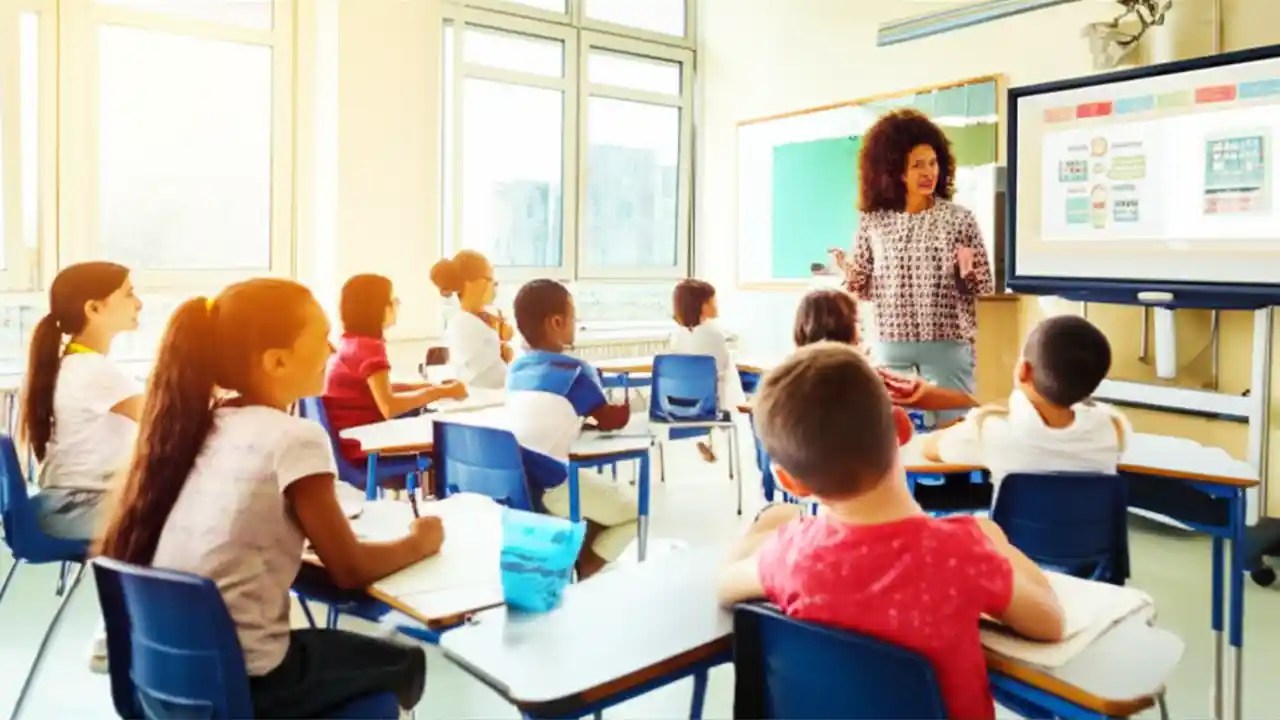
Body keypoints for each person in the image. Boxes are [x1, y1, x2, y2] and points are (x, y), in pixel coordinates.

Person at [96, 279, 440, 718]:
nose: (332, 350)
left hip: (168, 686)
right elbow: (350, 569)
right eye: (322, 338)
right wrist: (420, 540)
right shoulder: (294, 438)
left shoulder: (202, 426)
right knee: (402, 659)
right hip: (250, 686)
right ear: (277, 360)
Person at [716, 343, 1063, 720]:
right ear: (902, 427)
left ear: (790, 482)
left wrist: (772, 523)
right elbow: (1050, 621)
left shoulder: (790, 554)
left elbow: (725, 585)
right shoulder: (963, 551)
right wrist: (996, 540)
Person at [830, 108, 994, 423]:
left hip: (947, 343)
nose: (928, 172)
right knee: (897, 433)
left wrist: (966, 273)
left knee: (953, 429)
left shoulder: (959, 219)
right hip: (891, 344)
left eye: (933, 163)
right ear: (895, 171)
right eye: (917, 165)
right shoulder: (873, 221)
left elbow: (982, 286)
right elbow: (862, 288)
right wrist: (848, 271)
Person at [18, 261, 142, 674]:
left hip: (61, 504)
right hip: (77, 507)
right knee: (177, 519)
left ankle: (122, 635)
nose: (138, 303)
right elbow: (167, 424)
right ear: (94, 308)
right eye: (128, 293)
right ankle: (119, 639)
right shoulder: (95, 371)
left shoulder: (72, 364)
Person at [504, 279, 635, 578]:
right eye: (573, 316)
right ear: (556, 322)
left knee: (595, 500)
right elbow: (610, 420)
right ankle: (583, 571)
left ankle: (574, 560)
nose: (576, 323)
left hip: (516, 483)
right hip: (550, 482)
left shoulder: (516, 370)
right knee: (634, 511)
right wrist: (625, 406)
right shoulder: (575, 373)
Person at [923, 314, 1129, 490]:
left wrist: (969, 421)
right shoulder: (1114, 428)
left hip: (1015, 529)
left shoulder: (990, 429)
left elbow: (930, 448)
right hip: (1089, 527)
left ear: (1024, 370)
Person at [325, 273, 468, 463]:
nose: (397, 305)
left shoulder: (350, 342)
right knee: (444, 435)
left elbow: (380, 390)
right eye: (393, 301)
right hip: (362, 444)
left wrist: (432, 387)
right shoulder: (370, 348)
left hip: (347, 438)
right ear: (377, 309)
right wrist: (439, 392)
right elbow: (389, 406)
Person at [793, 288, 978, 414]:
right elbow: (915, 394)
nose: (862, 328)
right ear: (843, 327)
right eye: (857, 322)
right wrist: (975, 402)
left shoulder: (791, 376)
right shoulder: (861, 374)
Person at [669, 279, 744, 463]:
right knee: (747, 383)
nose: (717, 305)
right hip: (712, 403)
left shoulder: (677, 336)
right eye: (713, 301)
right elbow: (722, 371)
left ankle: (709, 441)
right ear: (702, 305)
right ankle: (716, 441)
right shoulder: (714, 333)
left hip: (681, 402)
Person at [430, 250, 512, 389]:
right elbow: (476, 371)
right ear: (471, 283)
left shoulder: (478, 319)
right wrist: (502, 349)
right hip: (483, 393)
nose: (494, 285)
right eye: (489, 279)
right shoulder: (464, 324)